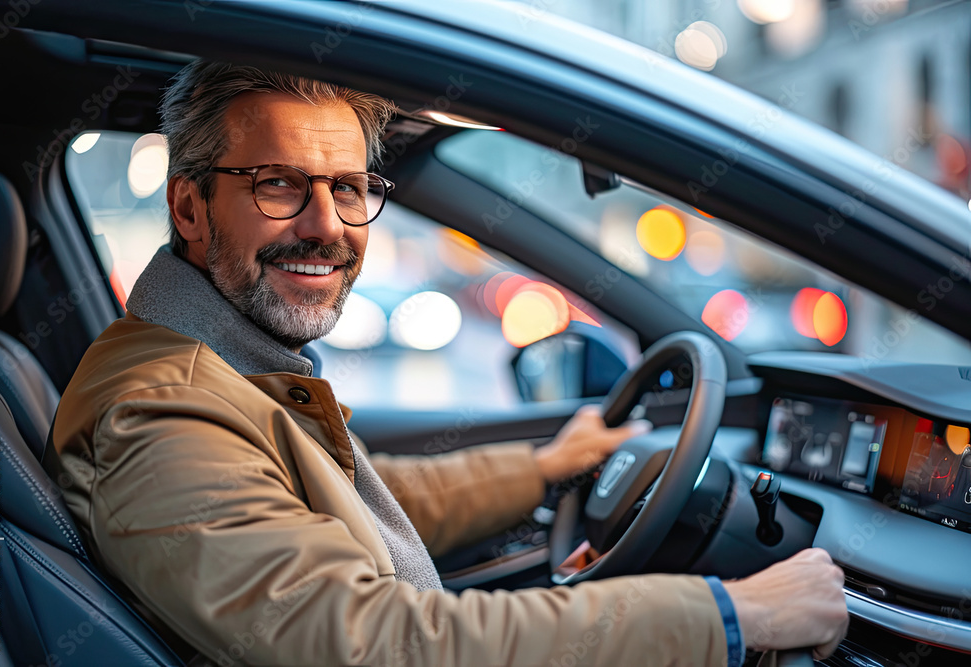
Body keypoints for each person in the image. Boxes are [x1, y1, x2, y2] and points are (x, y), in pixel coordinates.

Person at [46, 61, 848, 666]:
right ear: (190, 207)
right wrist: (733, 616)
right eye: (280, 185)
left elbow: (362, 505)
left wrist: (543, 468)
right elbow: (378, 643)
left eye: (349, 188)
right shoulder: (164, 419)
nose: (327, 226)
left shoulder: (223, 369)